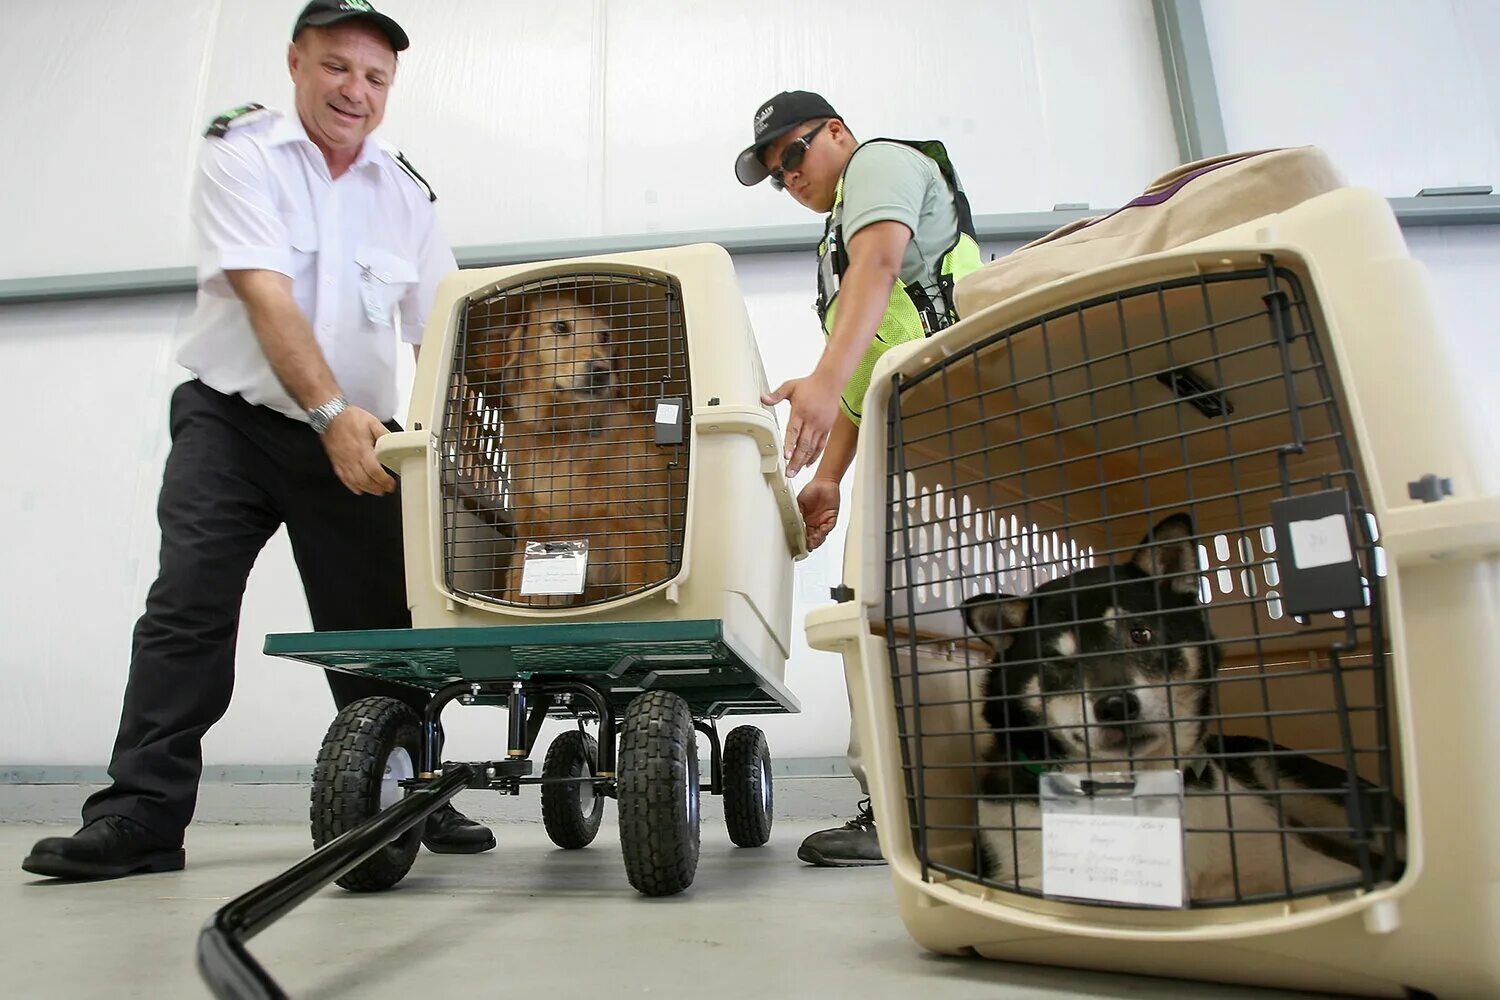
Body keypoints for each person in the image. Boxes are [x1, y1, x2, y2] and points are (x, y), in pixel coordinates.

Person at [23, 0, 493, 881]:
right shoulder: (243, 152)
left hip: (363, 436)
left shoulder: (405, 194)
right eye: (336, 67)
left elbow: (441, 332)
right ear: (295, 63)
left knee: (378, 628)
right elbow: (263, 292)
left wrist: (451, 443)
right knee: (187, 607)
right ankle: (140, 816)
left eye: (375, 77)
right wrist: (328, 415)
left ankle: (411, 790)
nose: (355, 91)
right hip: (232, 423)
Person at [734, 91, 982, 866]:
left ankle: (909, 812)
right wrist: (831, 478)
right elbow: (869, 368)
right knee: (886, 612)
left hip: (952, 417)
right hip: (916, 429)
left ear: (837, 133)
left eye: (794, 154)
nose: (789, 178)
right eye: (776, 175)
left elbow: (879, 268)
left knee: (892, 613)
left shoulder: (879, 165)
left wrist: (821, 375)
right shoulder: (837, 238)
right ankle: (917, 806)